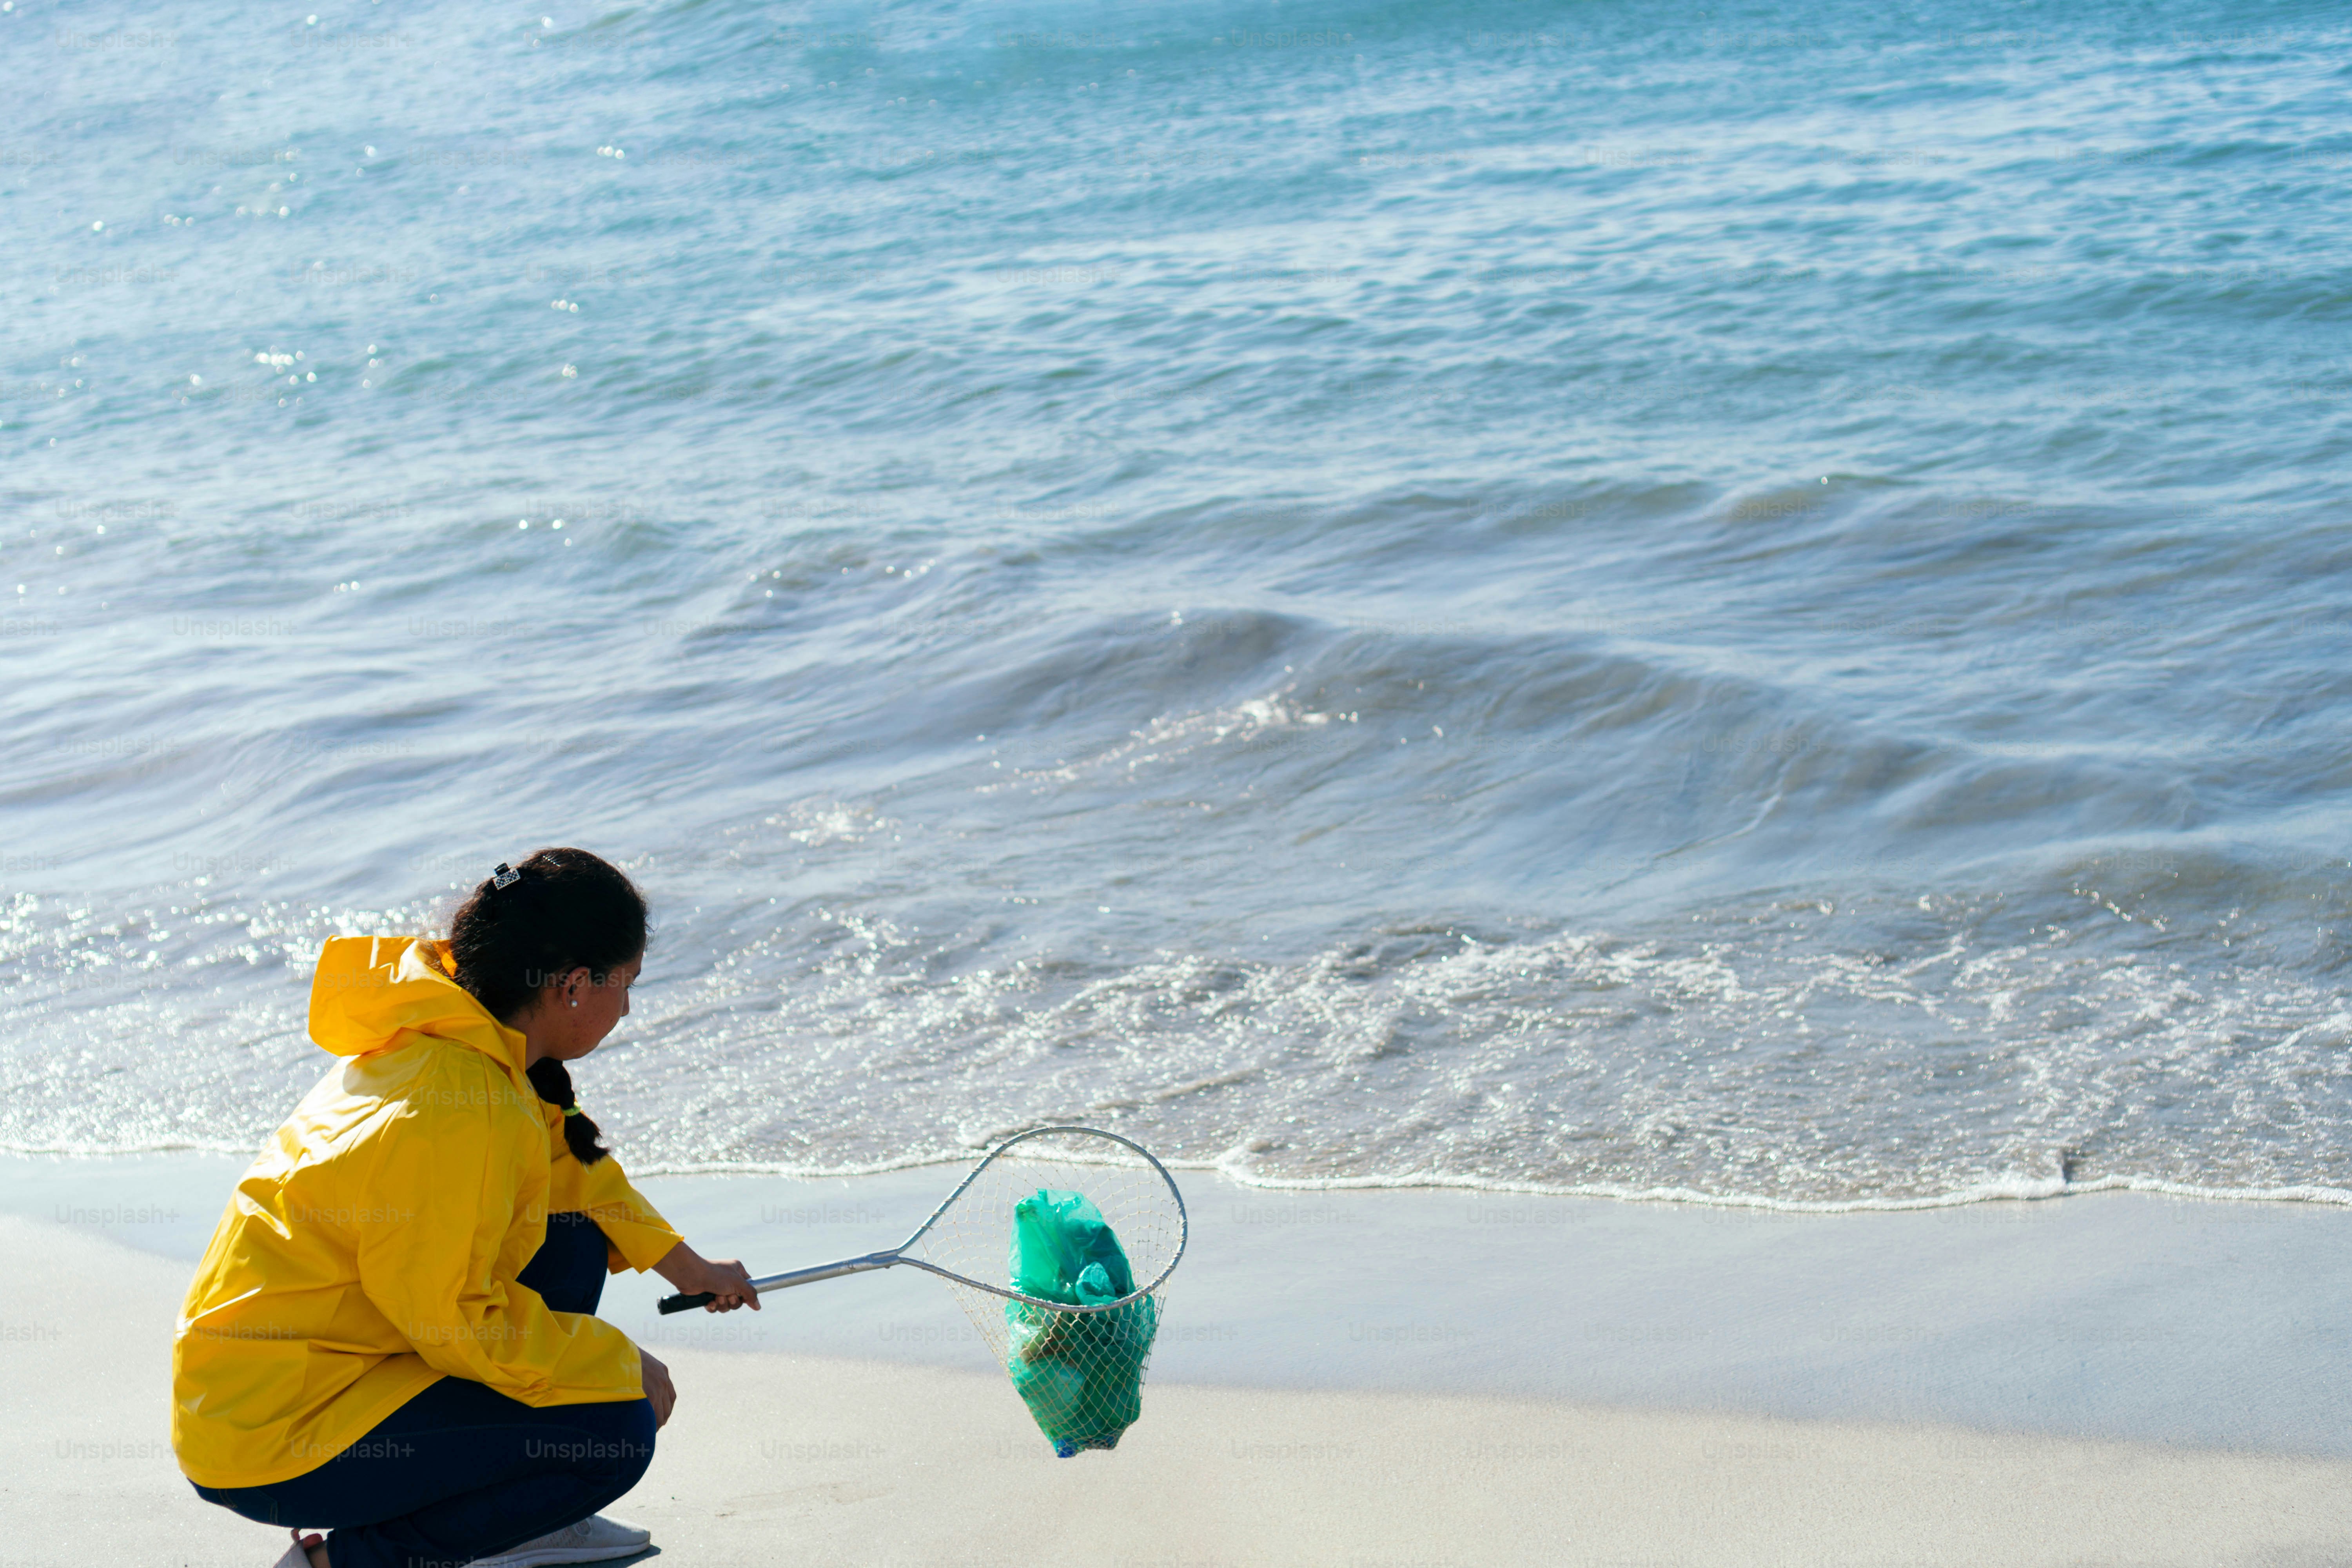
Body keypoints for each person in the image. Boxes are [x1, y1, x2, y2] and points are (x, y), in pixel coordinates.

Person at [172, 848, 760, 1568]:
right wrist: (617, 1363)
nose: (630, 1006)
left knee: (571, 1237)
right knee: (616, 1432)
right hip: (271, 1434)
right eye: (627, 983)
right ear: (575, 986)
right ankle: (342, 1563)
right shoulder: (458, 1111)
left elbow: (573, 1167)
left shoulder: (464, 1032)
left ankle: (519, 1520)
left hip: (315, 1370)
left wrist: (687, 1267)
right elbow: (452, 1321)